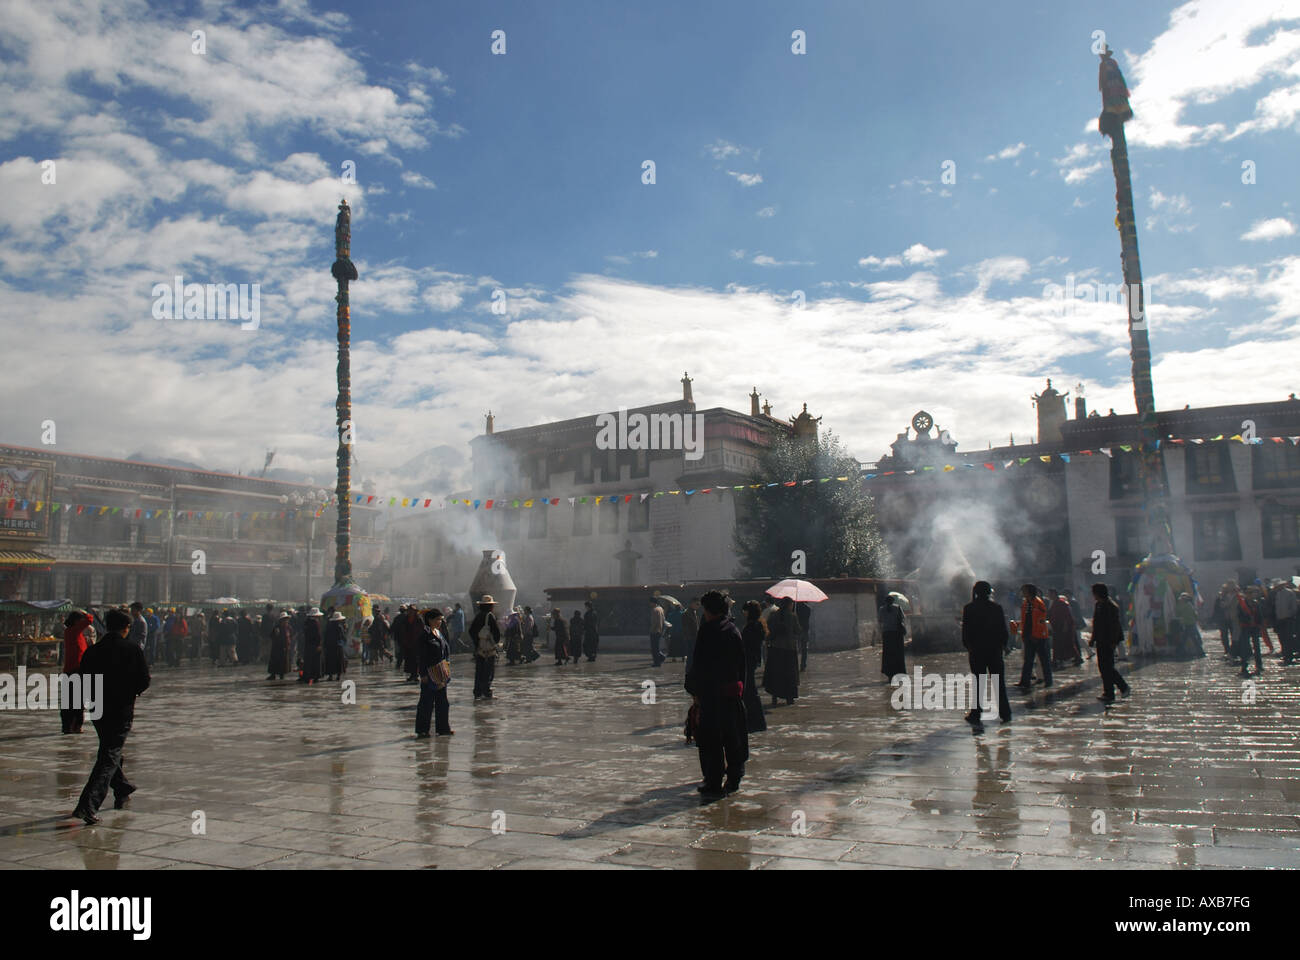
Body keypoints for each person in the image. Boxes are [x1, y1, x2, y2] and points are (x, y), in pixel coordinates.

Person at [71, 607, 150, 824]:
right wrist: (131, 691)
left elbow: (81, 682)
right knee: (109, 755)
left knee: (110, 749)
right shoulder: (132, 649)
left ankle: (122, 788)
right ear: (126, 628)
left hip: (98, 709)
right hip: (121, 709)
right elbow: (144, 680)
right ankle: (88, 804)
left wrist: (79, 711)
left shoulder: (93, 651)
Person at [684, 591, 748, 798]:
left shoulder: (708, 631)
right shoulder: (733, 630)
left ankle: (713, 780)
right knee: (733, 738)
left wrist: (694, 691)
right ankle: (734, 778)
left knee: (711, 740)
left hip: (711, 695)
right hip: (731, 693)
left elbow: (699, 664)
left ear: (709, 610)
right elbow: (742, 665)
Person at [961, 581, 1012, 724]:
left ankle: (976, 713)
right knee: (999, 683)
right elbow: (1003, 630)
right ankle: (1005, 713)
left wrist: (969, 647)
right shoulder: (996, 607)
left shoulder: (969, 608)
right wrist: (1003, 645)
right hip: (994, 651)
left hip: (976, 651)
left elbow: (965, 632)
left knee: (978, 683)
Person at [415, 608, 454, 737]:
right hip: (429, 673)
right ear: (430, 620)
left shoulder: (438, 633)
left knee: (443, 702)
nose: (440, 622)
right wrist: (423, 674)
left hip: (440, 673)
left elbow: (445, 650)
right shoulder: (424, 635)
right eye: (438, 619)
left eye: (441, 620)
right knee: (426, 702)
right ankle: (422, 730)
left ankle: (443, 728)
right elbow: (421, 656)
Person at [1089, 583, 1130, 703]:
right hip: (1100, 640)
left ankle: (1123, 687)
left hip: (1108, 641)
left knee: (1108, 668)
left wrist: (1113, 641)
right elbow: (1096, 624)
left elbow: (1115, 626)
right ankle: (1108, 693)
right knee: (1103, 668)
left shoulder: (1111, 606)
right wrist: (1093, 639)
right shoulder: (1098, 605)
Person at [763, 597, 801, 705]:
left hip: (775, 648)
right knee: (790, 674)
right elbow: (798, 631)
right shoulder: (792, 616)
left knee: (776, 673)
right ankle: (790, 698)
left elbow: (768, 630)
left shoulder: (774, 615)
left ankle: (774, 697)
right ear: (789, 605)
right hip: (789, 649)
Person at [1015, 584, 1052, 691]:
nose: (1022, 593)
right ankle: (1024, 681)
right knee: (1028, 660)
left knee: (1044, 660)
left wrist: (1036, 634)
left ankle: (1048, 681)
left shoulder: (1038, 603)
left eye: (1024, 591)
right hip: (1028, 636)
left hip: (1038, 636)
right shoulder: (1026, 603)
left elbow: (1040, 621)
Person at [61, 609, 92, 734]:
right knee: (76, 701)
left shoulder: (73, 633)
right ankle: (74, 726)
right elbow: (90, 619)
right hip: (76, 670)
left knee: (71, 701)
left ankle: (70, 726)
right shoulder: (73, 631)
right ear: (76, 621)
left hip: (73, 669)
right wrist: (84, 612)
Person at [739, 600, 767, 733]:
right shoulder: (758, 624)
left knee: (750, 692)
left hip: (748, 661)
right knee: (750, 691)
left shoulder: (752, 626)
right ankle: (756, 722)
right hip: (752, 660)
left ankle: (756, 722)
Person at [470, 595, 501, 699]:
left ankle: (477, 692)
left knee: (479, 671)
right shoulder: (490, 616)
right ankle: (486, 692)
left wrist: (477, 642)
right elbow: (496, 633)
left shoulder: (478, 616)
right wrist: (494, 642)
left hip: (479, 648)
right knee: (488, 672)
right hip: (489, 649)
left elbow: (471, 631)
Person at [1047, 589, 1080, 667]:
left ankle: (1077, 658)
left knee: (1068, 643)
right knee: (1057, 643)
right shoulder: (1053, 603)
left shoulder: (1062, 603)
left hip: (1064, 626)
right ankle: (1057, 659)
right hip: (1056, 626)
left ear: (1054, 594)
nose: (1048, 596)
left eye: (1050, 594)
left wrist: (1065, 626)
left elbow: (1067, 616)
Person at [878, 592, 907, 680]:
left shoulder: (881, 609)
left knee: (888, 654)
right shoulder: (897, 608)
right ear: (893, 601)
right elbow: (903, 618)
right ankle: (899, 672)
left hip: (887, 634)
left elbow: (880, 620)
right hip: (897, 634)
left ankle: (889, 673)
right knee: (898, 653)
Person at [1274, 580, 1297, 666]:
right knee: (1282, 638)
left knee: (1288, 638)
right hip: (1280, 619)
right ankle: (1285, 654)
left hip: (1288, 619)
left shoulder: (1290, 593)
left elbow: (1293, 606)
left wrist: (1290, 614)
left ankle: (1289, 656)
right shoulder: (1278, 594)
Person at [299, 608, 323, 683]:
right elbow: (318, 635)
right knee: (315, 661)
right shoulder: (316, 623)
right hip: (315, 645)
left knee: (308, 661)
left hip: (308, 645)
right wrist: (319, 644)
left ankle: (307, 676)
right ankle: (315, 676)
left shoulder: (306, 622)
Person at [267, 611, 292, 679]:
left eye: (286, 619)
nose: (286, 620)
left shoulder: (288, 627)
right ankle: (273, 674)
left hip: (285, 647)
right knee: (275, 661)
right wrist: (276, 635)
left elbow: (291, 636)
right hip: (277, 647)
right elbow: (272, 636)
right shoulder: (277, 627)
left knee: (283, 662)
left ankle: (282, 675)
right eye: (284, 619)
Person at [324, 611, 348, 681]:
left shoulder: (329, 626)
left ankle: (330, 676)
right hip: (338, 646)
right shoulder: (339, 627)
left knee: (330, 660)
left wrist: (325, 645)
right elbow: (342, 637)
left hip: (330, 646)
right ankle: (338, 675)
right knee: (338, 661)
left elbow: (326, 636)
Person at [682, 599, 700, 671]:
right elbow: (686, 627)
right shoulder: (687, 613)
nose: (698, 606)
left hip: (694, 637)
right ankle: (689, 670)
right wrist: (688, 637)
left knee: (693, 655)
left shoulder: (694, 612)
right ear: (692, 604)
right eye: (697, 604)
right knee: (691, 655)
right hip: (691, 637)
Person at [649, 598, 666, 667]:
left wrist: (652, 630)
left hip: (655, 631)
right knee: (656, 647)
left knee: (654, 648)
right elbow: (663, 620)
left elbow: (655, 622)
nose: (649, 604)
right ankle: (661, 657)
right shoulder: (661, 609)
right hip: (660, 630)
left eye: (650, 602)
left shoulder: (655, 610)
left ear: (653, 603)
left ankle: (657, 662)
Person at [796, 601, 812, 671]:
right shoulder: (808, 609)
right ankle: (803, 665)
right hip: (805, 630)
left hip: (796, 630)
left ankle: (794, 664)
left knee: (795, 648)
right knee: (804, 649)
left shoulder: (795, 608)